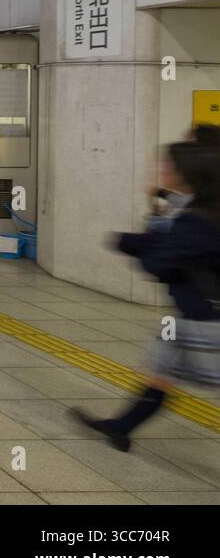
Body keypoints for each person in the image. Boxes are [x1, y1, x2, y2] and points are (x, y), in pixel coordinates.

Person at [70, 138, 220, 451]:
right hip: (191, 314)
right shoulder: (195, 207)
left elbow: (160, 261)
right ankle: (122, 427)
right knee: (160, 370)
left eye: (167, 165)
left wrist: (129, 243)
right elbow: (165, 240)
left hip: (208, 319)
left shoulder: (196, 220)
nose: (161, 169)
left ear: (185, 173)